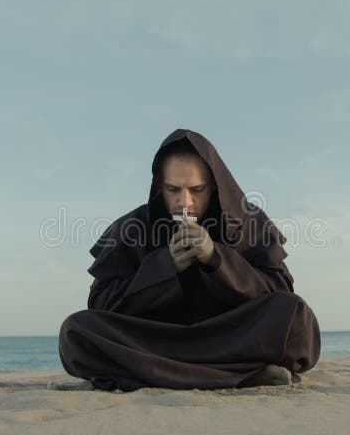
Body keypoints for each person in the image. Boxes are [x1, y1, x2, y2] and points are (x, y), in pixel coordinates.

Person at [57, 129, 321, 392]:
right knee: (75, 331)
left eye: (197, 189)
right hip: (154, 341)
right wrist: (163, 267)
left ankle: (152, 375)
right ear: (159, 185)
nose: (185, 202)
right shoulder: (132, 227)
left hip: (228, 338)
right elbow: (100, 304)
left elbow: (279, 291)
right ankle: (243, 375)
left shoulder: (248, 222)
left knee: (296, 316)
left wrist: (216, 259)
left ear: (215, 185)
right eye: (173, 189)